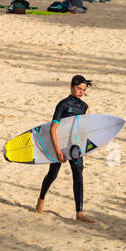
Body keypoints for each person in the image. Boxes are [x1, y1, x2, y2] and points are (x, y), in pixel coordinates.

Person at [35, 75, 99, 223]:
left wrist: (83, 146)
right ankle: (41, 198)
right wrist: (57, 150)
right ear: (71, 87)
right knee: (53, 174)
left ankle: (80, 213)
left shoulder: (84, 107)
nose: (81, 92)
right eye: (78, 88)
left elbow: (79, 128)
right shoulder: (63, 105)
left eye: (83, 89)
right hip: (59, 145)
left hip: (75, 147)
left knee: (78, 176)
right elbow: (53, 129)